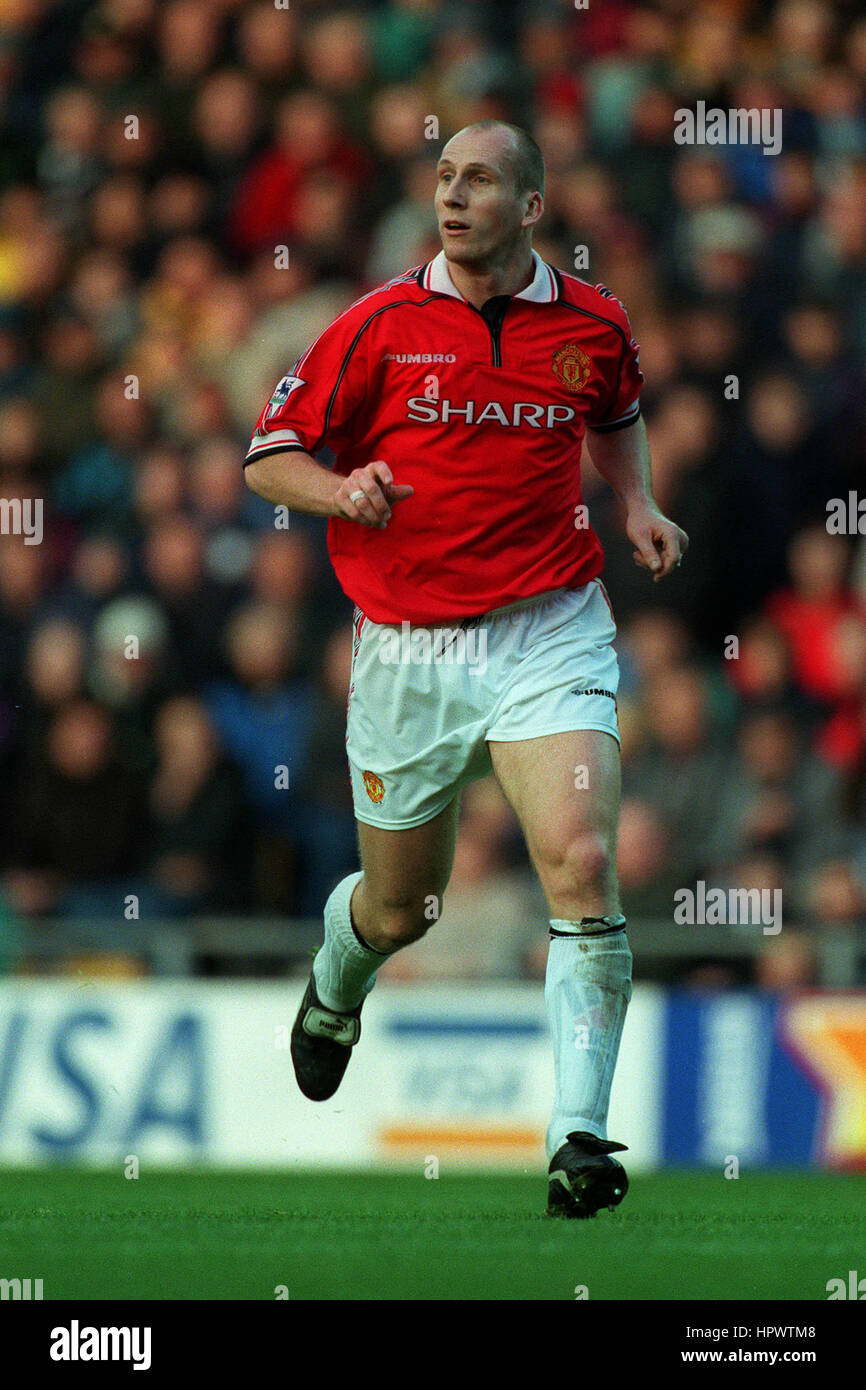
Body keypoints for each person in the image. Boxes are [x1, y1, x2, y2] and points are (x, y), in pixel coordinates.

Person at [244, 121, 688, 1218]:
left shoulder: (593, 323)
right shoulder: (377, 326)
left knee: (582, 859)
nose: (451, 195)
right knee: (404, 909)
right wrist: (340, 492)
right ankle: (337, 981)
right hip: (410, 644)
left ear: (530, 207)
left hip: (549, 625)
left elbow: (615, 415)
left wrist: (634, 500)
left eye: (477, 179)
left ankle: (578, 1137)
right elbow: (269, 457)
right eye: (443, 176)